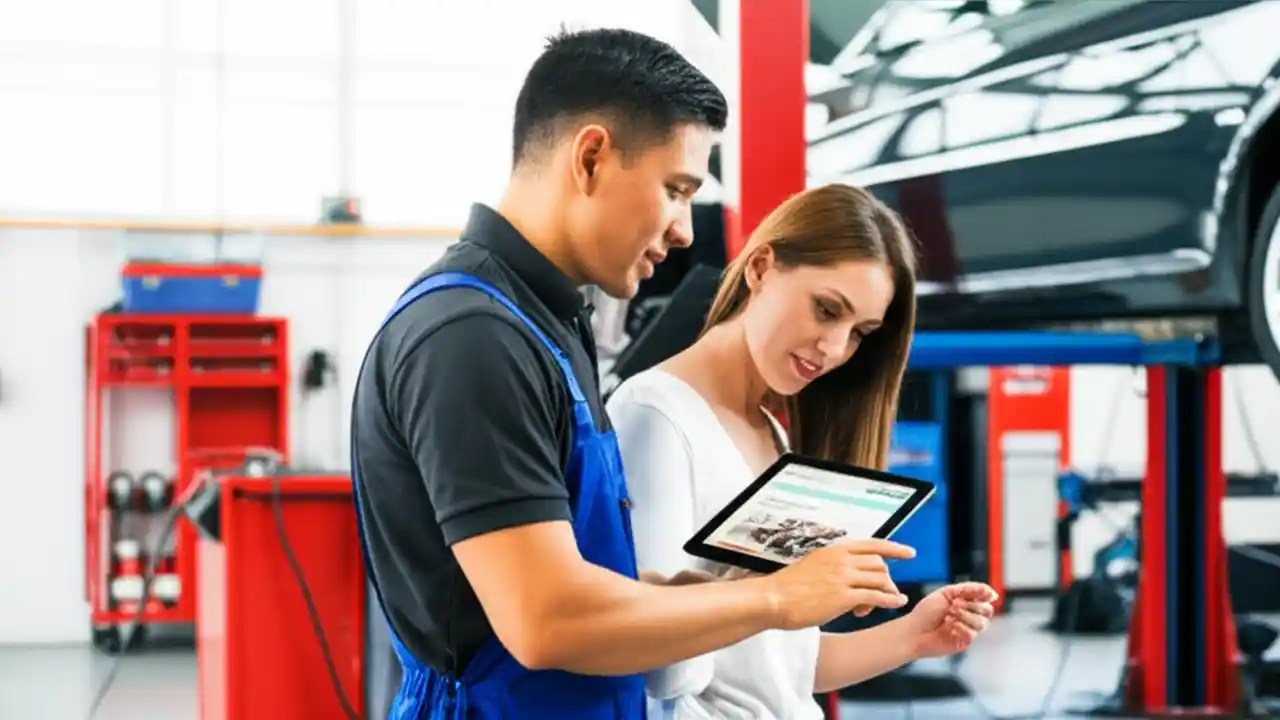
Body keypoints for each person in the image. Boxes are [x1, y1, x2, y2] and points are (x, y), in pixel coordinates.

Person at [349, 29, 919, 720]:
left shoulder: (546, 326)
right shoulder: (472, 338)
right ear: (590, 157)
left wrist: (688, 593)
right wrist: (776, 596)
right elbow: (546, 621)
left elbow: (577, 577)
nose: (685, 230)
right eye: (676, 190)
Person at [606, 183, 1001, 719]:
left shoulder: (771, 432)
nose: (834, 348)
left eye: (860, 332)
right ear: (761, 268)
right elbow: (663, 666)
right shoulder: (656, 415)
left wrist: (913, 635)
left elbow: (778, 667)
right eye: (826, 309)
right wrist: (774, 591)